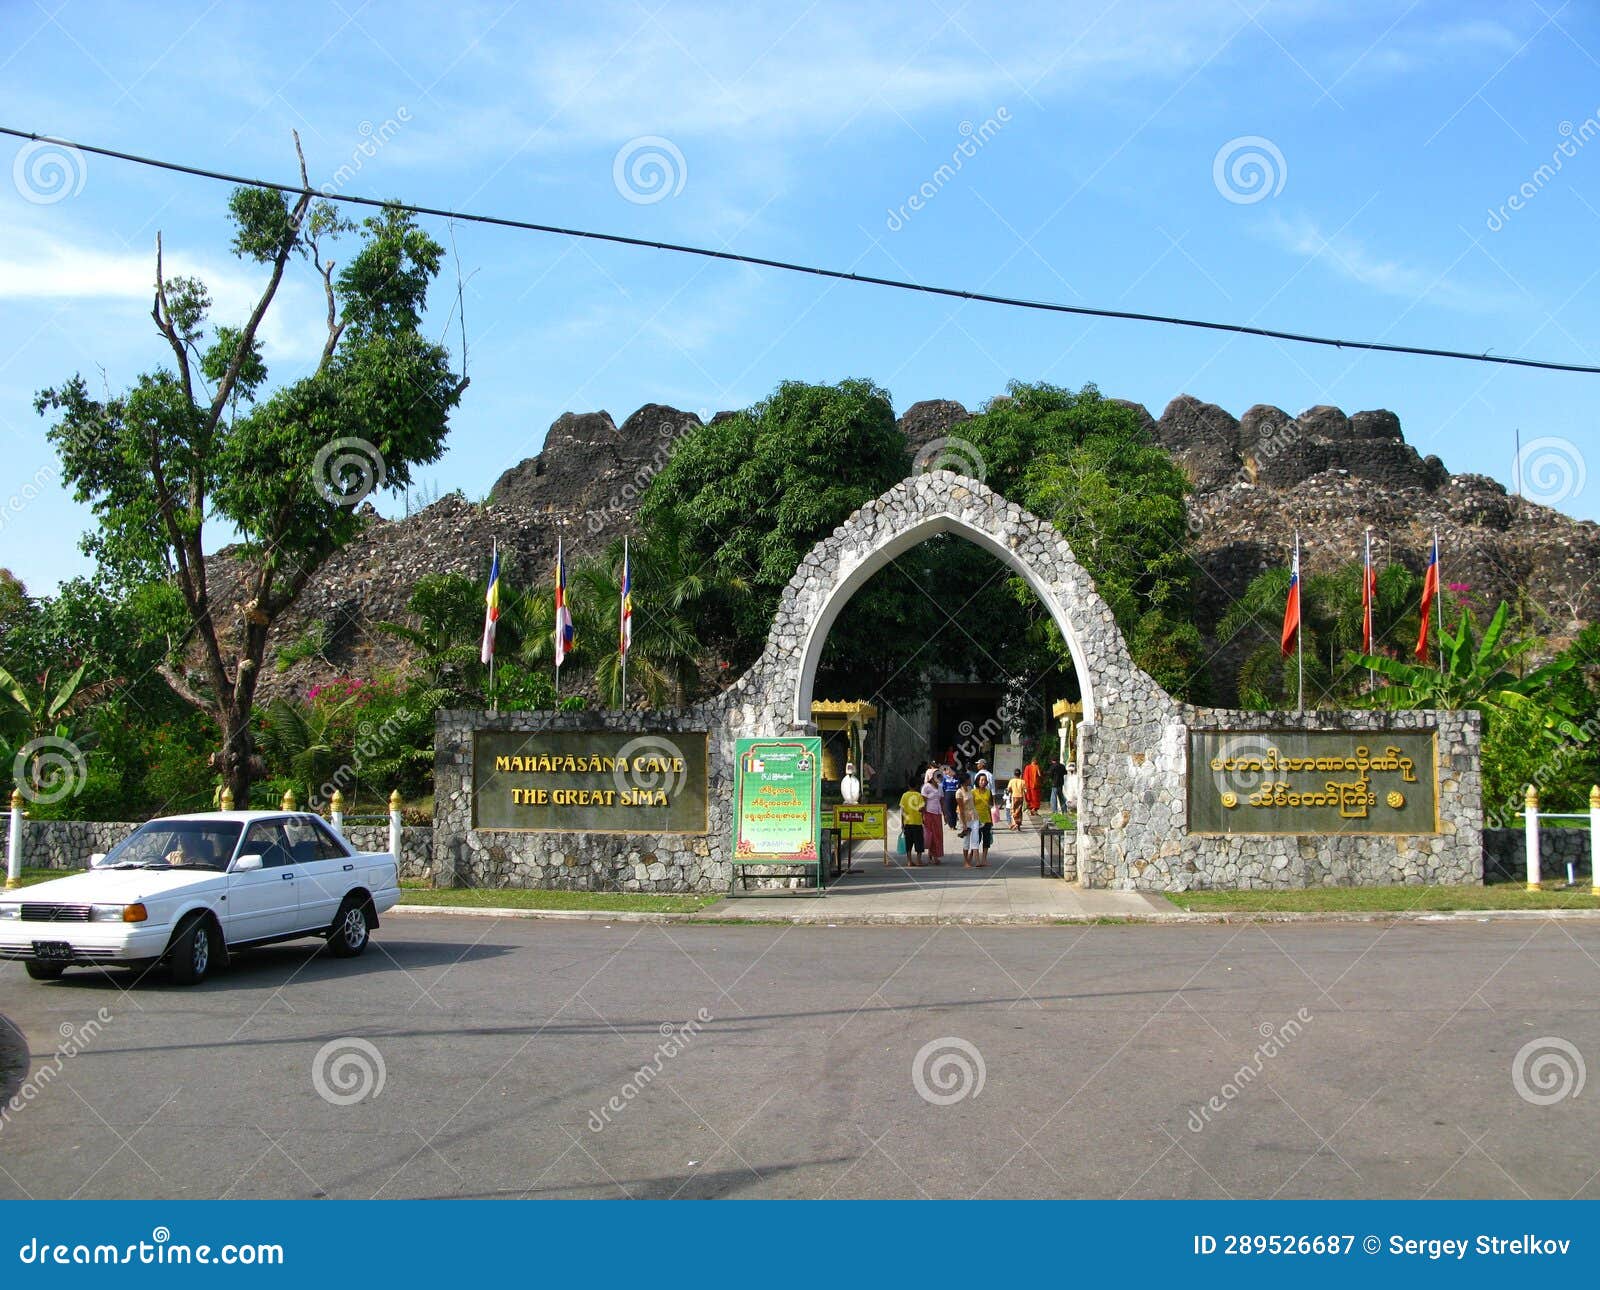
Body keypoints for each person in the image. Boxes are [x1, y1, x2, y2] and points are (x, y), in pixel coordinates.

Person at [899, 775, 926, 867]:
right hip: (917, 823)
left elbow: (902, 810)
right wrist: (923, 817)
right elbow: (922, 808)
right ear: (917, 786)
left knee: (908, 842)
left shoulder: (904, 795)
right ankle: (918, 860)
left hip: (907, 823)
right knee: (919, 842)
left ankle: (909, 861)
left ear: (908, 785)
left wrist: (902, 823)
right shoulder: (919, 795)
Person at [920, 767, 944, 865]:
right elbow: (923, 802)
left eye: (939, 776)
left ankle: (934, 855)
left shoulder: (940, 787)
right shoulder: (926, 787)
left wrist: (944, 814)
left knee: (938, 835)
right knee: (931, 835)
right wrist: (923, 815)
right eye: (937, 776)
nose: (938, 778)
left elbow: (942, 801)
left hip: (937, 813)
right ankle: (933, 856)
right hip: (929, 813)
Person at [971, 770, 994, 867]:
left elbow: (990, 806)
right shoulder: (973, 792)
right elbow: (970, 806)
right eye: (981, 780)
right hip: (976, 819)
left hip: (986, 818)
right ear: (977, 781)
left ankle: (984, 860)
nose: (983, 782)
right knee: (976, 839)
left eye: (985, 780)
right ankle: (976, 860)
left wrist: (991, 819)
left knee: (986, 839)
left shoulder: (988, 792)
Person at [954, 771, 976, 867]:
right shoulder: (959, 792)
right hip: (965, 817)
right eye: (969, 779)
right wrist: (964, 824)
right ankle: (966, 861)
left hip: (974, 816)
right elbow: (961, 809)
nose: (970, 780)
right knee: (966, 840)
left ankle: (971, 858)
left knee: (975, 838)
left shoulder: (970, 789)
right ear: (965, 781)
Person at [940, 762, 960, 828]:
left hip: (955, 794)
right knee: (948, 809)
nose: (948, 771)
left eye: (949, 770)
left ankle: (954, 825)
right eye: (947, 770)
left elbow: (959, 786)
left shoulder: (956, 778)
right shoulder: (945, 778)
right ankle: (951, 825)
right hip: (948, 794)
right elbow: (943, 787)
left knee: (954, 809)